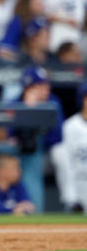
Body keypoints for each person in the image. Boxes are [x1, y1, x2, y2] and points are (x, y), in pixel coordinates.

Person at [52, 82, 87, 212]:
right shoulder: (70, 126)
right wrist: (71, 195)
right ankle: (71, 199)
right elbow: (64, 163)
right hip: (78, 183)